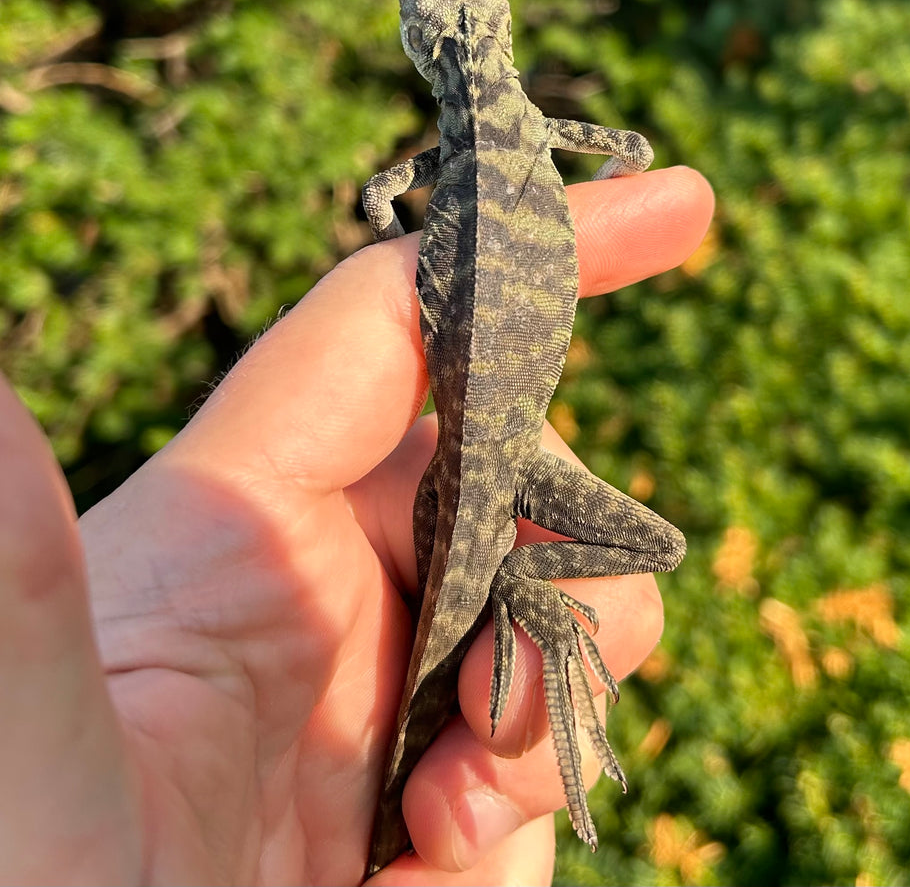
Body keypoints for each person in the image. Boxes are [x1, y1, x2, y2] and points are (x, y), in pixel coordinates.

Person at [0, 166, 713, 886]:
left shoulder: (458, 168)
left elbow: (380, 200)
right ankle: (523, 578)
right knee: (640, 560)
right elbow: (629, 150)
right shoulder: (503, 166)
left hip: (480, 464)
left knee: (649, 552)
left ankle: (522, 576)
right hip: (475, 465)